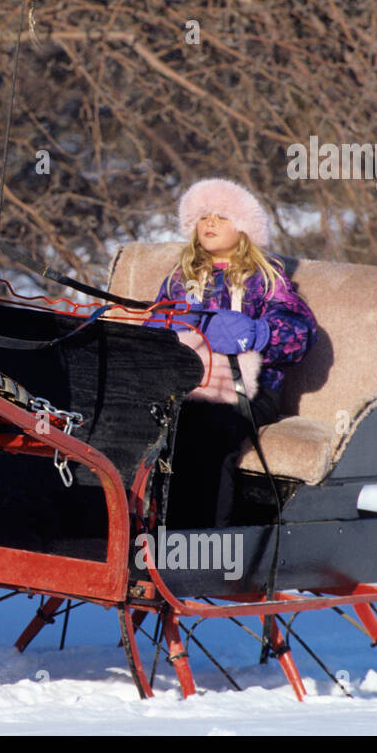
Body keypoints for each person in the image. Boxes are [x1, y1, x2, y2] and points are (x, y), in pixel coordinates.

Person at [154, 178, 318, 528]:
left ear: (244, 229)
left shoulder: (266, 279)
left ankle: (201, 543)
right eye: (203, 217)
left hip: (248, 390)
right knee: (151, 428)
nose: (209, 223)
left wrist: (259, 333)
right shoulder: (180, 278)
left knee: (207, 434)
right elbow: (155, 319)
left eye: (221, 217)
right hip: (185, 383)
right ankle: (146, 529)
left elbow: (300, 334)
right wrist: (163, 328)